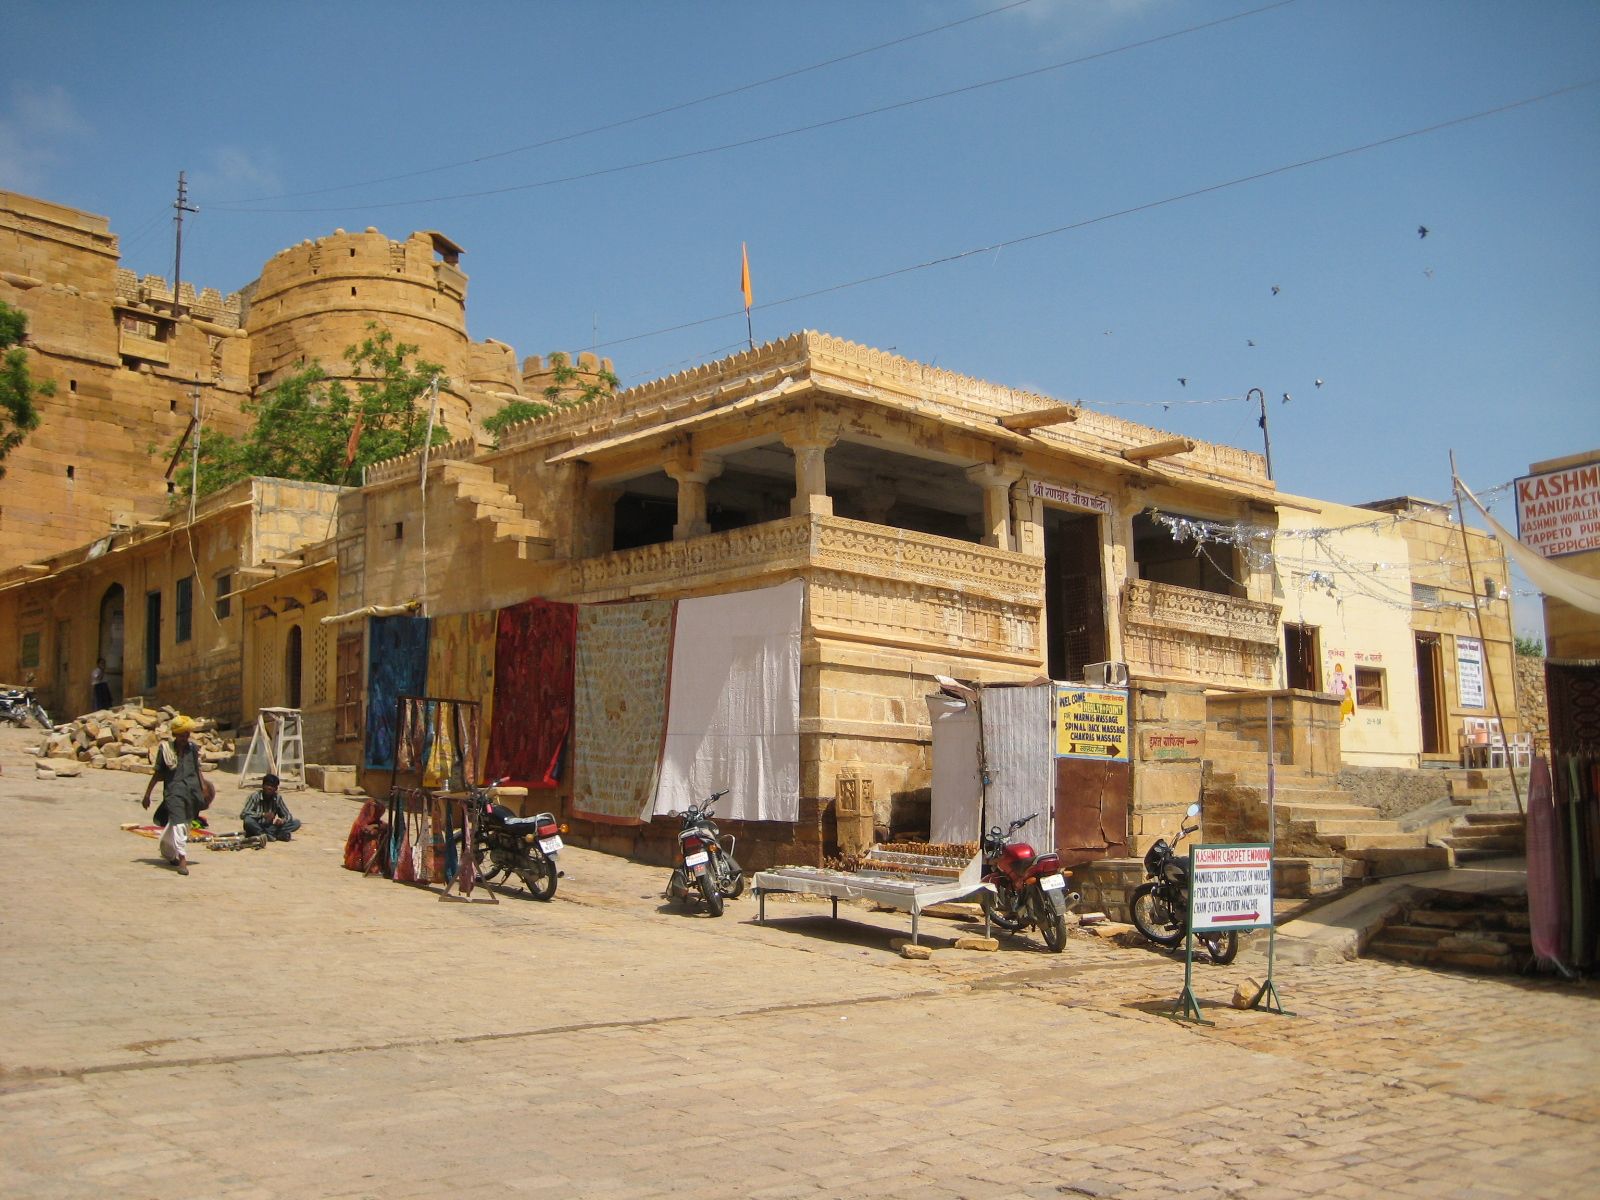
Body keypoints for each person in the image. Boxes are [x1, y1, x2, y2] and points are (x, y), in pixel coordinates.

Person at [140, 714, 213, 875]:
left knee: (183, 825)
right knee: (179, 825)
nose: (184, 738)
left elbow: (197, 769)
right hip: (174, 793)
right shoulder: (166, 750)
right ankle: (182, 860)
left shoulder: (192, 749)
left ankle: (168, 852)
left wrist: (203, 787)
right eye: (181, 735)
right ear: (175, 734)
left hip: (192, 792)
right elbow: (158, 774)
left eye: (187, 735)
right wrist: (147, 795)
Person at [241, 773, 301, 842]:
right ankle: (266, 835)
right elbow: (244, 814)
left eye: (272, 786)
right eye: (267, 785)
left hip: (270, 827)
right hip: (256, 826)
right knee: (248, 820)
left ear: (276, 789)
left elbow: (288, 815)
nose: (269, 788)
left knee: (296, 822)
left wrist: (282, 821)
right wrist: (262, 815)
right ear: (263, 786)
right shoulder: (255, 796)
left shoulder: (277, 798)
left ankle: (270, 835)